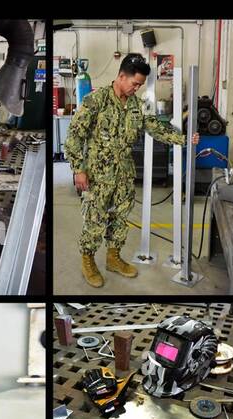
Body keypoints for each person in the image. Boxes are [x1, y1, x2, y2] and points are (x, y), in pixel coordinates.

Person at [64, 53, 197, 288]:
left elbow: (154, 127)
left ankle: (113, 258)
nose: (137, 88)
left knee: (121, 218)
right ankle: (88, 260)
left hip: (124, 174)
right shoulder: (96, 101)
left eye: (140, 85)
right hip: (97, 175)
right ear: (121, 76)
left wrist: (184, 139)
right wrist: (78, 169)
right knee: (95, 220)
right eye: (135, 83)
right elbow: (75, 135)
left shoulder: (136, 105)